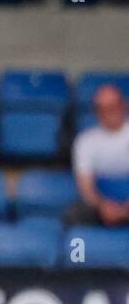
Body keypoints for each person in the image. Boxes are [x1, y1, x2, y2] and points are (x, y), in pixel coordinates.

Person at [66, 83, 129, 227]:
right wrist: (103, 206)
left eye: (113, 106)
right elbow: (86, 186)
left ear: (123, 105)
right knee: (74, 214)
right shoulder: (85, 141)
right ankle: (78, 250)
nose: (109, 112)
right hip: (101, 206)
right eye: (103, 109)